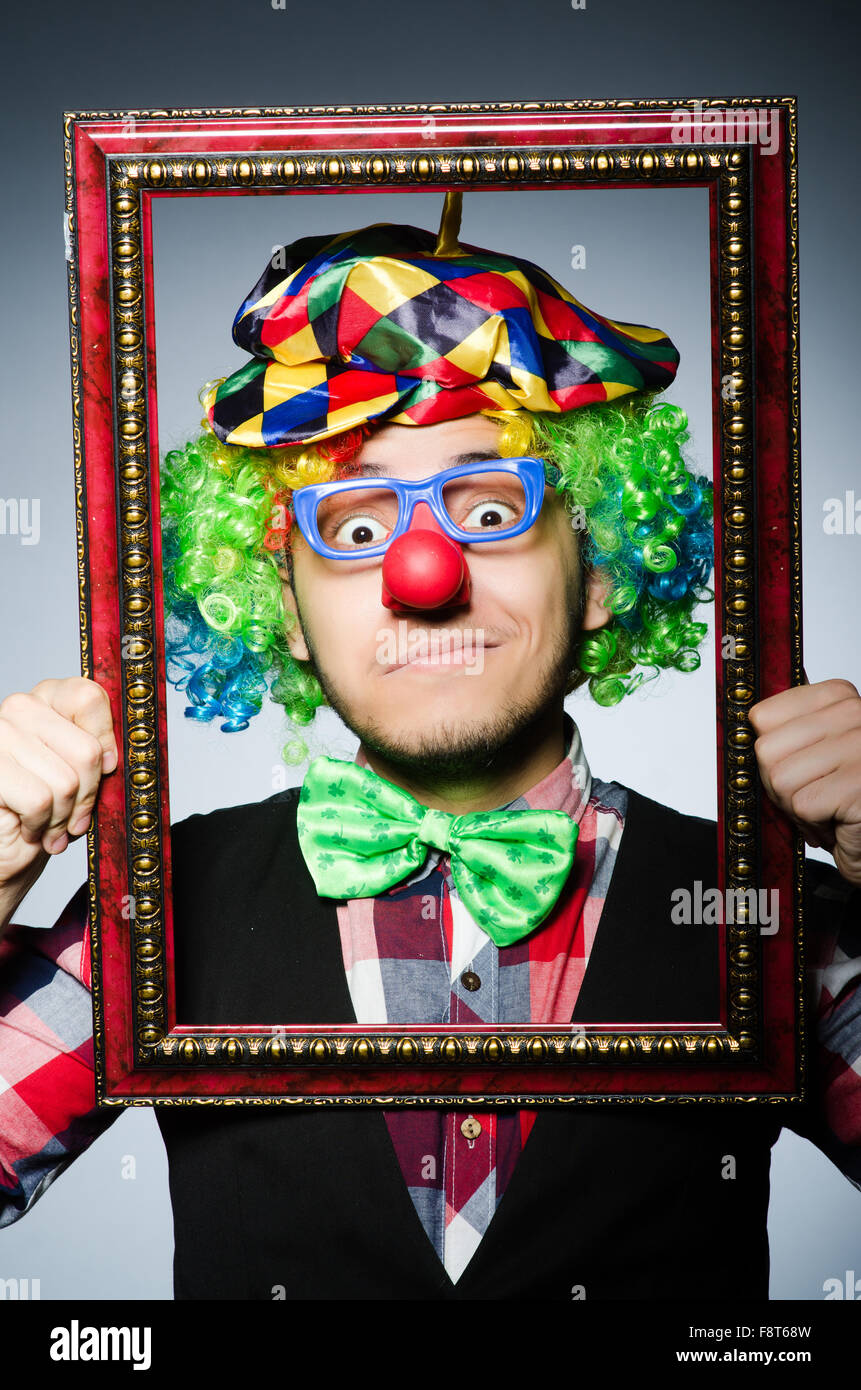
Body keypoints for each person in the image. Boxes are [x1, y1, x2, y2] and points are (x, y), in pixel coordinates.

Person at [0, 195, 859, 1300]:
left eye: (490, 507)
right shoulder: (156, 911)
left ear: (599, 572)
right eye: (355, 527)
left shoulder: (759, 906)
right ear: (287, 615)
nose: (424, 572)